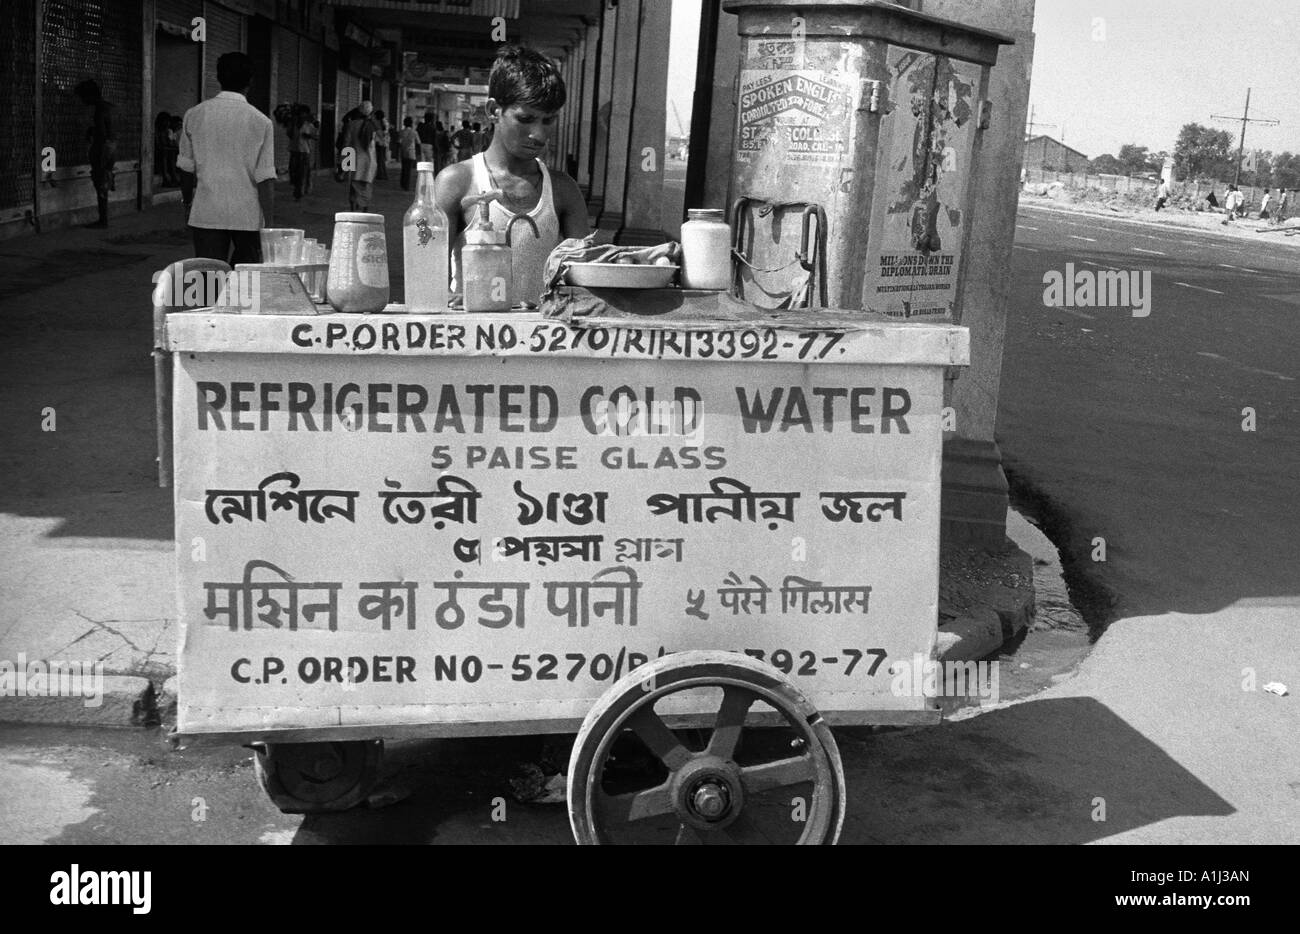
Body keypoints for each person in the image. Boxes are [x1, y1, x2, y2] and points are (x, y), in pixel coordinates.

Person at [435, 44, 591, 309]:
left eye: (548, 121)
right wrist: (444, 295)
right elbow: (425, 253)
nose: (539, 135)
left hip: (539, 340)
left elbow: (584, 275)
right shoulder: (456, 182)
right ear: (494, 110)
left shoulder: (563, 190)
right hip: (473, 336)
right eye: (525, 119)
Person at [175, 52, 275, 264]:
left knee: (208, 281)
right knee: (245, 283)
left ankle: (211, 297)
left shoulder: (194, 114)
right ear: (250, 81)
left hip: (206, 212)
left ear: (218, 78)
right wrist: (270, 225)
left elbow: (185, 168)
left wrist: (187, 204)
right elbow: (265, 178)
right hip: (247, 215)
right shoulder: (261, 122)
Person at [74, 79, 117, 228]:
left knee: (100, 181)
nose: (82, 101)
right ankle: (103, 218)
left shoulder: (99, 109)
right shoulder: (109, 107)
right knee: (104, 180)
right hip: (111, 147)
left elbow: (102, 133)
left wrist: (98, 154)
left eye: (82, 97)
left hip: (102, 148)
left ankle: (102, 220)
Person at [342, 100, 379, 211]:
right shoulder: (373, 126)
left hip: (354, 160)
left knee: (354, 186)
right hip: (370, 161)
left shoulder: (352, 125)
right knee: (367, 187)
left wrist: (344, 164)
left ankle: (353, 210)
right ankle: (364, 210)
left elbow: (347, 145)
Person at [288, 104, 319, 201]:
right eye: (300, 114)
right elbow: (289, 135)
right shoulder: (293, 124)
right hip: (294, 151)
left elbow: (316, 136)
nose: (301, 116)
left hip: (304, 152)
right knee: (292, 172)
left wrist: (309, 136)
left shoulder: (309, 125)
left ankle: (299, 193)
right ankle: (298, 188)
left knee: (301, 173)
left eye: (303, 114)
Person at [399, 116, 419, 191]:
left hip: (403, 152)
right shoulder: (414, 132)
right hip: (411, 152)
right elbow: (418, 142)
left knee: (403, 168)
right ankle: (406, 185)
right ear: (411, 124)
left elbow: (399, 142)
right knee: (408, 170)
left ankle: (402, 183)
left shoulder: (401, 132)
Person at [373, 109, 390, 180]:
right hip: (383, 143)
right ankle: (382, 174)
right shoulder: (384, 122)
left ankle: (382, 175)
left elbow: (382, 134)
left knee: (380, 159)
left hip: (380, 143)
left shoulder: (381, 123)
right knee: (381, 159)